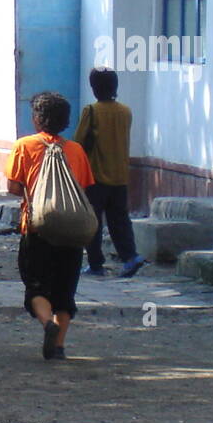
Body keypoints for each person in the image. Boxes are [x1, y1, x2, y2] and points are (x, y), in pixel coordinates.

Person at [6, 91, 96, 361]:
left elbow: (13, 187)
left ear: (36, 118)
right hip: (71, 231)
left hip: (37, 228)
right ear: (66, 120)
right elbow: (82, 187)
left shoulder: (24, 146)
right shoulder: (76, 151)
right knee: (65, 290)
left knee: (36, 286)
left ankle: (47, 324)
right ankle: (58, 347)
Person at [74, 68, 145, 278]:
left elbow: (79, 142)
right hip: (120, 175)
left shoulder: (91, 111)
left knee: (92, 223)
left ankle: (96, 264)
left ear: (94, 88)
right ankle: (130, 257)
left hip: (95, 176)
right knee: (120, 220)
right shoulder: (125, 111)